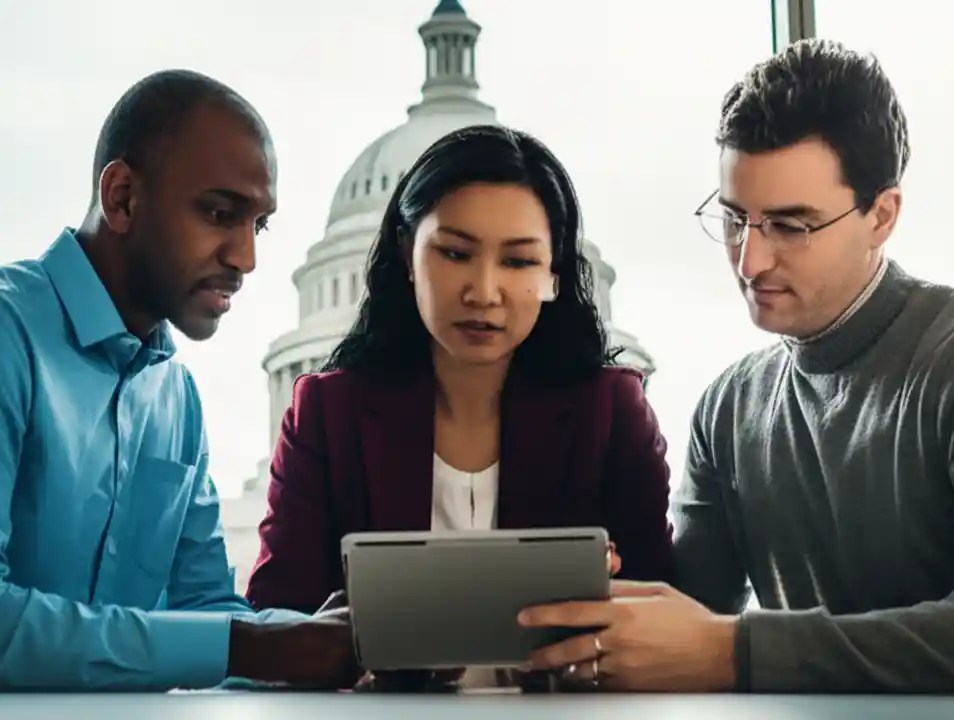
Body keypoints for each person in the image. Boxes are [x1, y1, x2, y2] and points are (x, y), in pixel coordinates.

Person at [518, 38, 954, 695]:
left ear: (883, 215)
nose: (749, 261)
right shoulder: (728, 409)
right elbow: (687, 631)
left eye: (791, 225)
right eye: (735, 219)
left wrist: (737, 653)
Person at [0, 69, 359, 692]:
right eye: (220, 214)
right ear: (124, 197)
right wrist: (254, 646)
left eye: (258, 225)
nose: (246, 257)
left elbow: (207, 614)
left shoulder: (175, 399)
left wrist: (338, 651)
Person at [244, 125, 675, 682]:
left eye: (518, 262)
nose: (483, 291)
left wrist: (608, 620)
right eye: (454, 253)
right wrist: (333, 645)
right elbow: (276, 625)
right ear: (407, 253)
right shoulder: (328, 413)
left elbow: (663, 622)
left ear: (554, 276)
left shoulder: (612, 410)